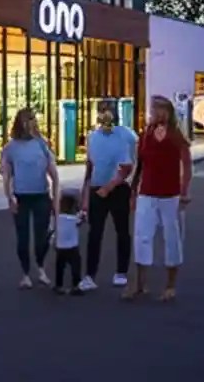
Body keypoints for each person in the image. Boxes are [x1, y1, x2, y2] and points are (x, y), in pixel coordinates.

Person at [124, 95, 193, 302]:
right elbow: (140, 166)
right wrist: (133, 192)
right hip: (147, 193)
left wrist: (184, 192)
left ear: (165, 112)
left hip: (170, 195)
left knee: (172, 239)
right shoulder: (145, 135)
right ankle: (140, 284)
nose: (151, 114)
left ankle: (170, 285)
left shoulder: (176, 136)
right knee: (141, 237)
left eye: (154, 111)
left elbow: (187, 166)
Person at [79, 102, 137, 292]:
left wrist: (110, 187)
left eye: (108, 112)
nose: (104, 116)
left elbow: (127, 167)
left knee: (122, 230)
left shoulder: (125, 135)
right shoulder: (93, 137)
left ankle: (121, 272)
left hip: (118, 189)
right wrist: (85, 195)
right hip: (97, 188)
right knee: (94, 233)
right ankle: (89, 275)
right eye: (101, 112)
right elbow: (90, 167)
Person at [1, 107, 61, 289]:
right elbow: (6, 176)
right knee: (23, 238)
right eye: (28, 120)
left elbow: (54, 175)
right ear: (21, 123)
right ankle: (26, 273)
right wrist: (9, 197)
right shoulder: (10, 148)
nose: (32, 123)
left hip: (41, 195)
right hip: (21, 197)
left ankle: (41, 267)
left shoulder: (42, 144)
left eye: (34, 119)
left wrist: (56, 203)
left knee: (41, 237)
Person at [53, 190, 84, 295]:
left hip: (60, 246)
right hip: (72, 247)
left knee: (60, 266)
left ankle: (59, 285)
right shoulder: (74, 218)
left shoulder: (58, 218)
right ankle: (76, 285)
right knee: (76, 265)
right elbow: (82, 219)